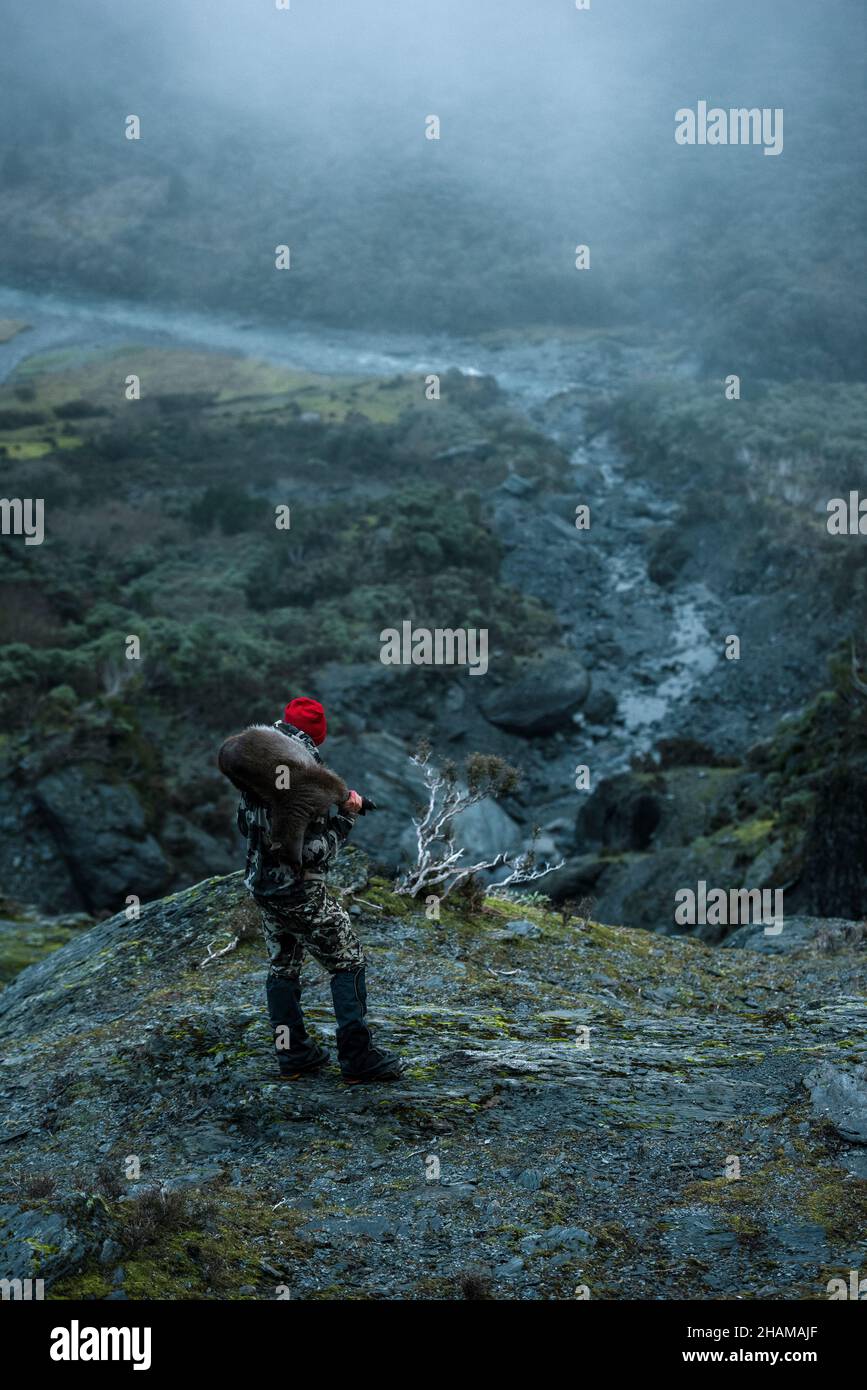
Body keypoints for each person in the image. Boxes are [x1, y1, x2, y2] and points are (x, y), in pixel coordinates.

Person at [236, 696, 402, 1085]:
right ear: (317, 734)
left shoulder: (259, 765)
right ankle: (358, 1059)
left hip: (263, 887)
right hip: (299, 892)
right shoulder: (305, 774)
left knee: (283, 965)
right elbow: (310, 852)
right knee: (349, 961)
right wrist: (346, 818)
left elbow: (246, 826)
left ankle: (293, 1055)